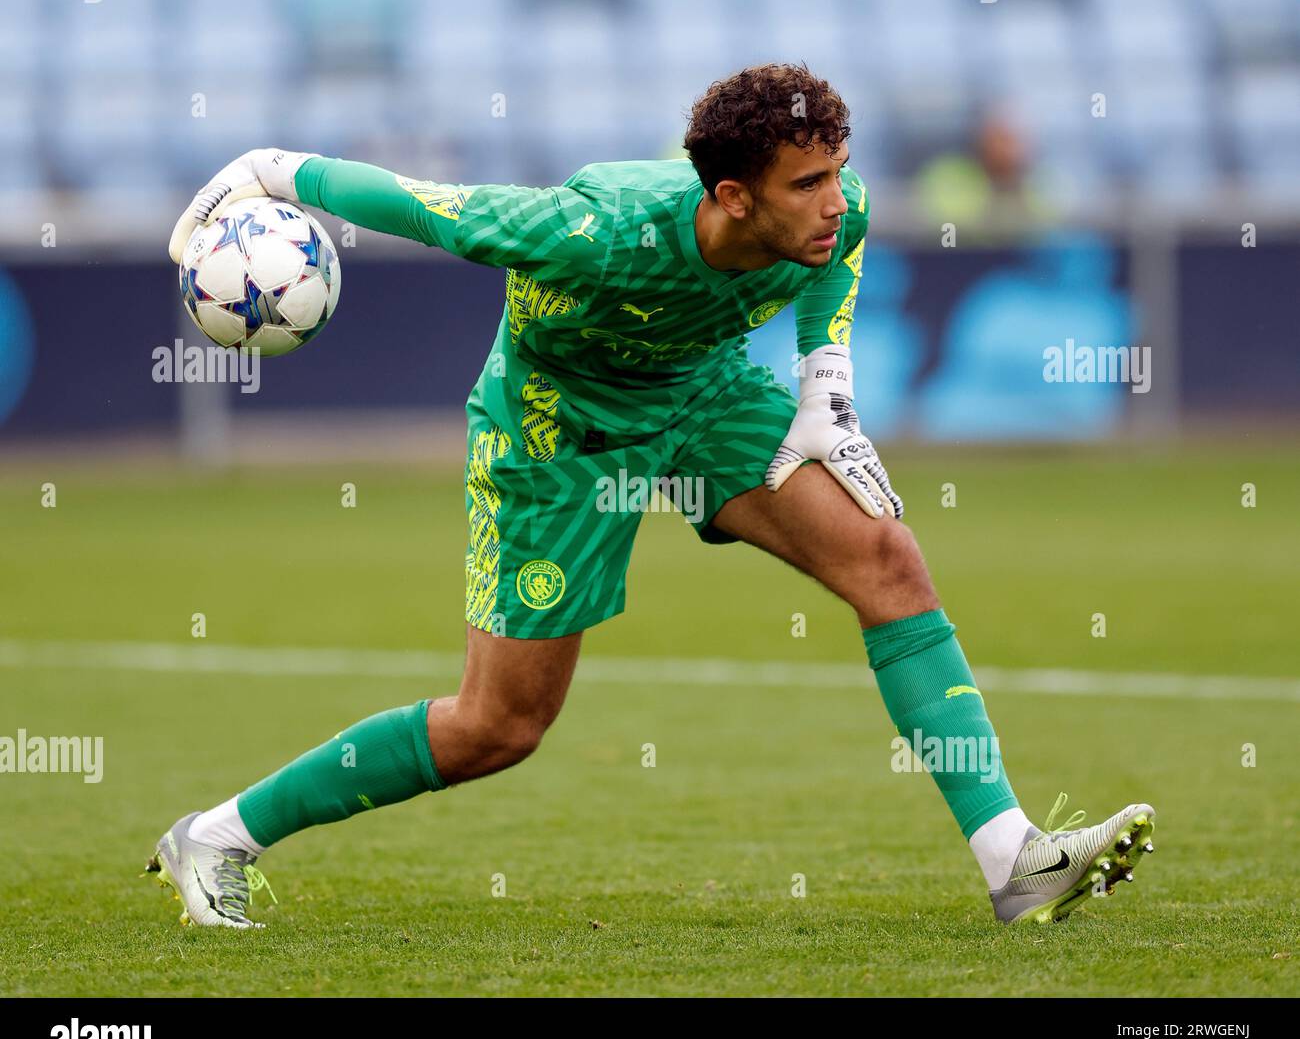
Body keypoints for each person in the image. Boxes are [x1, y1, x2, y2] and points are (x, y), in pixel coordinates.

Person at [151, 63, 1154, 929]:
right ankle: (217, 837)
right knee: (499, 727)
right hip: (559, 435)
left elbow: (834, 266)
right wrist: (271, 170)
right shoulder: (594, 230)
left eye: (838, 173)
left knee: (886, 559)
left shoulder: (829, 211)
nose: (834, 201)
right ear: (728, 195)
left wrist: (824, 390)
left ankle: (1011, 860)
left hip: (701, 393)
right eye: (806, 184)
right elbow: (425, 204)